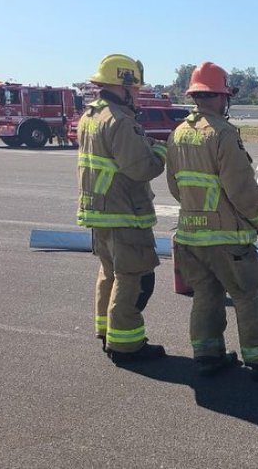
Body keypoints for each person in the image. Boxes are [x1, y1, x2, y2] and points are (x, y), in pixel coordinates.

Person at [166, 61, 258, 380]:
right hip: (226, 238)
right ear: (221, 97)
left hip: (189, 236)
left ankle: (207, 355)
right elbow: (242, 189)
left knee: (206, 296)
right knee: (247, 295)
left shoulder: (178, 133)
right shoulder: (223, 133)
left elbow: (174, 185)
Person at [76, 54, 168, 364]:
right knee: (131, 277)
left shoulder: (90, 116)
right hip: (124, 212)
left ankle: (106, 331)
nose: (139, 95)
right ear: (124, 87)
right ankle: (126, 345)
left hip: (99, 211)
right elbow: (140, 168)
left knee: (108, 272)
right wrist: (158, 151)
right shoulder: (120, 120)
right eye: (138, 90)